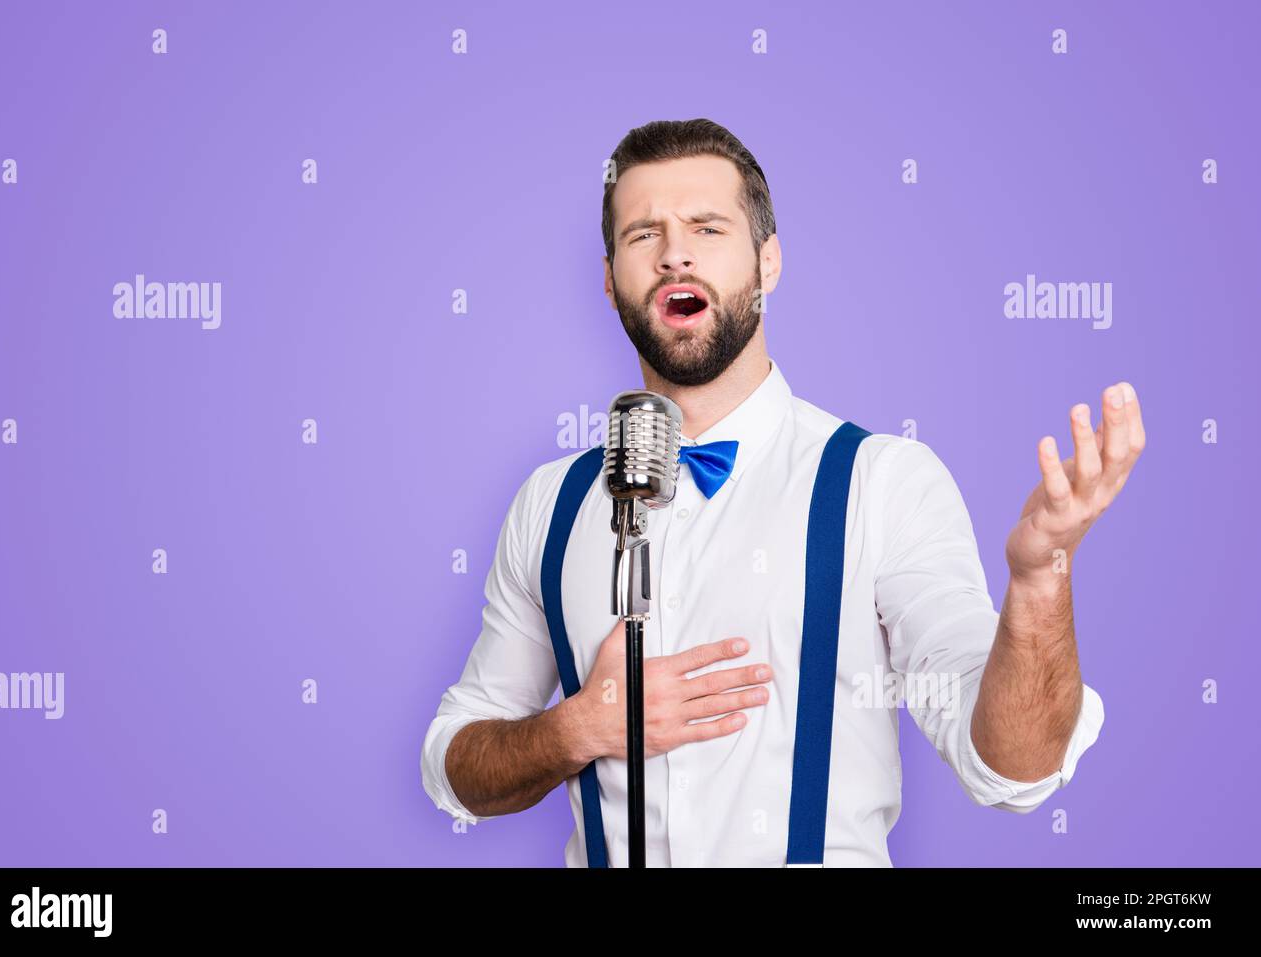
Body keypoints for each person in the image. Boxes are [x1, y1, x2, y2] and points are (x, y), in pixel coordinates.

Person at [420, 118, 1144, 867]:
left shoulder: (880, 482)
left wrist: (1038, 580)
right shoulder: (552, 504)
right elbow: (452, 762)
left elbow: (1012, 771)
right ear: (609, 281)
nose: (675, 253)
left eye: (707, 227)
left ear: (767, 264)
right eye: (643, 234)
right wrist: (576, 729)